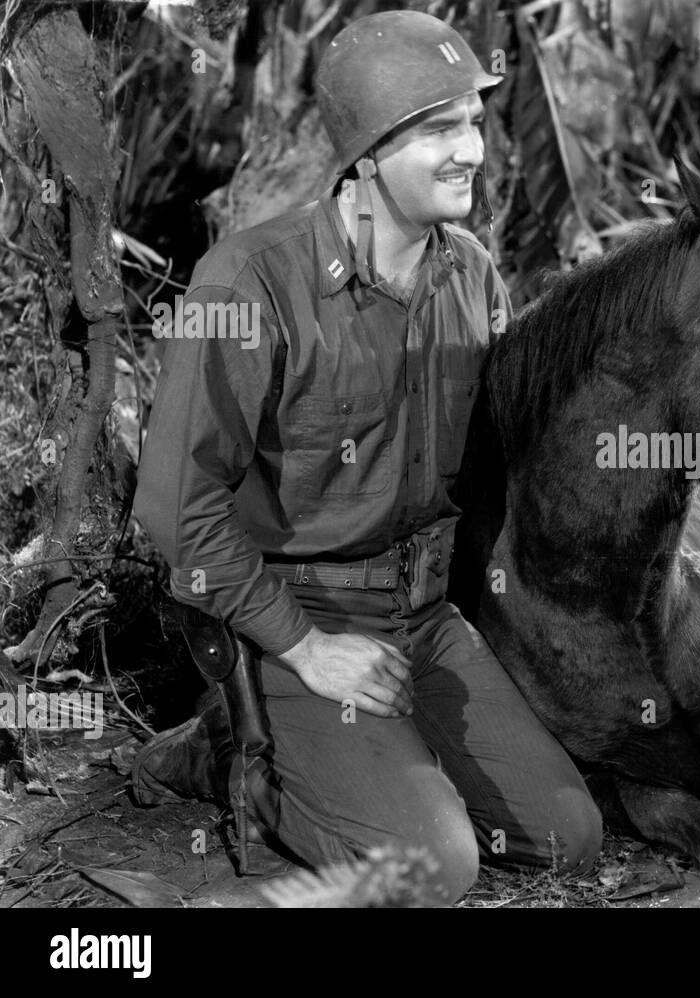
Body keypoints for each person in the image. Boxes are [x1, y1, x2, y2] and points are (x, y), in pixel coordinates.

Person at [130, 11, 601, 901]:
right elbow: (175, 508)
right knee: (437, 869)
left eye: (474, 121)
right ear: (369, 152)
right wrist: (306, 648)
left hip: (423, 618)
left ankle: (351, 759)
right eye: (439, 130)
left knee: (564, 837)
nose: (472, 151)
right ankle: (245, 750)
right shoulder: (248, 281)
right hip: (300, 618)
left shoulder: (470, 276)